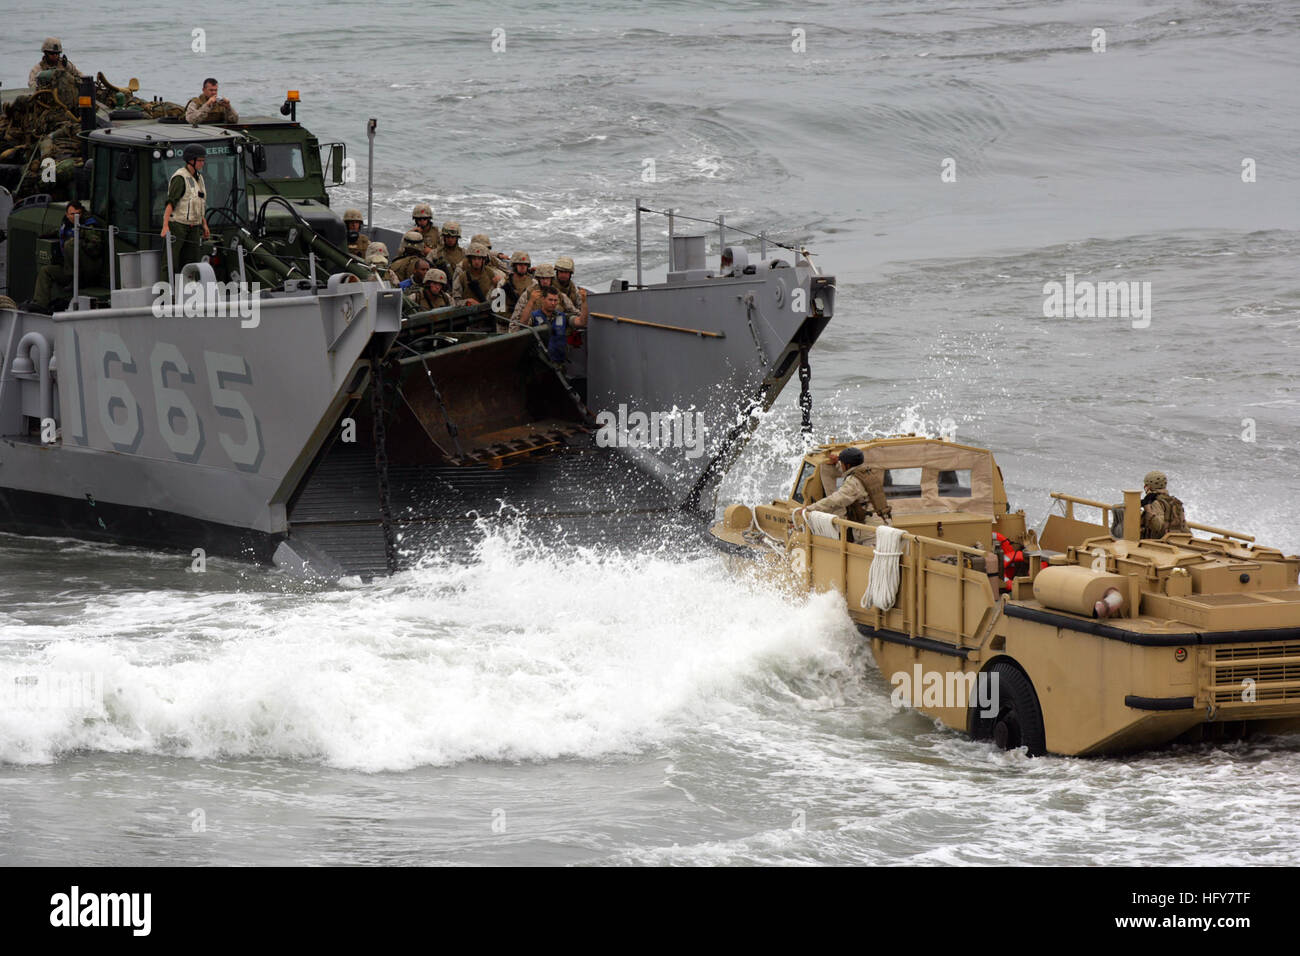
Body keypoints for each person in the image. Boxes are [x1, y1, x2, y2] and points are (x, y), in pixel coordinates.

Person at [31, 198, 102, 311]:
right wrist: (44, 235)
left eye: (77, 214)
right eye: (72, 214)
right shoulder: (66, 225)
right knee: (45, 271)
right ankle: (40, 303)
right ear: (67, 214)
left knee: (71, 244)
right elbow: (59, 231)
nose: (74, 217)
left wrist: (80, 242)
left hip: (87, 270)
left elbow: (96, 248)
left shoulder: (88, 225)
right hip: (69, 269)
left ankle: (74, 278)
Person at [797, 447, 892, 527]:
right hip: (881, 521)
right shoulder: (866, 472)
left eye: (841, 463)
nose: (840, 465)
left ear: (848, 465)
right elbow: (848, 471)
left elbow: (836, 500)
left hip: (869, 529)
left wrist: (809, 509)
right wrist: (836, 464)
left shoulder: (853, 482)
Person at [161, 143, 210, 274]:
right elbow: (170, 203)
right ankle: (166, 292)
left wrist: (204, 224)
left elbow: (199, 203)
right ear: (190, 160)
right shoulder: (180, 178)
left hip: (194, 226)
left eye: (203, 160)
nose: (202, 163)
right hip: (178, 225)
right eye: (200, 160)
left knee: (192, 263)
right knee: (171, 262)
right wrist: (165, 226)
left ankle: (189, 291)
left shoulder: (199, 178)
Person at [510, 262, 577, 324]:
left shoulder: (558, 294)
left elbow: (574, 312)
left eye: (547, 278)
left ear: (551, 279)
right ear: (538, 279)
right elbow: (516, 318)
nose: (545, 281)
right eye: (542, 278)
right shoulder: (529, 293)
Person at [451, 242, 506, 307]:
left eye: (479, 258)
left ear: (483, 260)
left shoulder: (490, 273)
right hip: (468, 312)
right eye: (474, 258)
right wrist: (467, 302)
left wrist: (495, 286)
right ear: (470, 260)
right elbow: (455, 302)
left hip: (488, 310)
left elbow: (500, 298)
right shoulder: (462, 277)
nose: (477, 261)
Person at [1140, 470, 1189, 539]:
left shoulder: (1156, 502)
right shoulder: (1175, 501)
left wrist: (1147, 508)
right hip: (1177, 540)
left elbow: (1158, 526)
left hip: (1159, 543)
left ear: (1147, 487)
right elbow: (1184, 526)